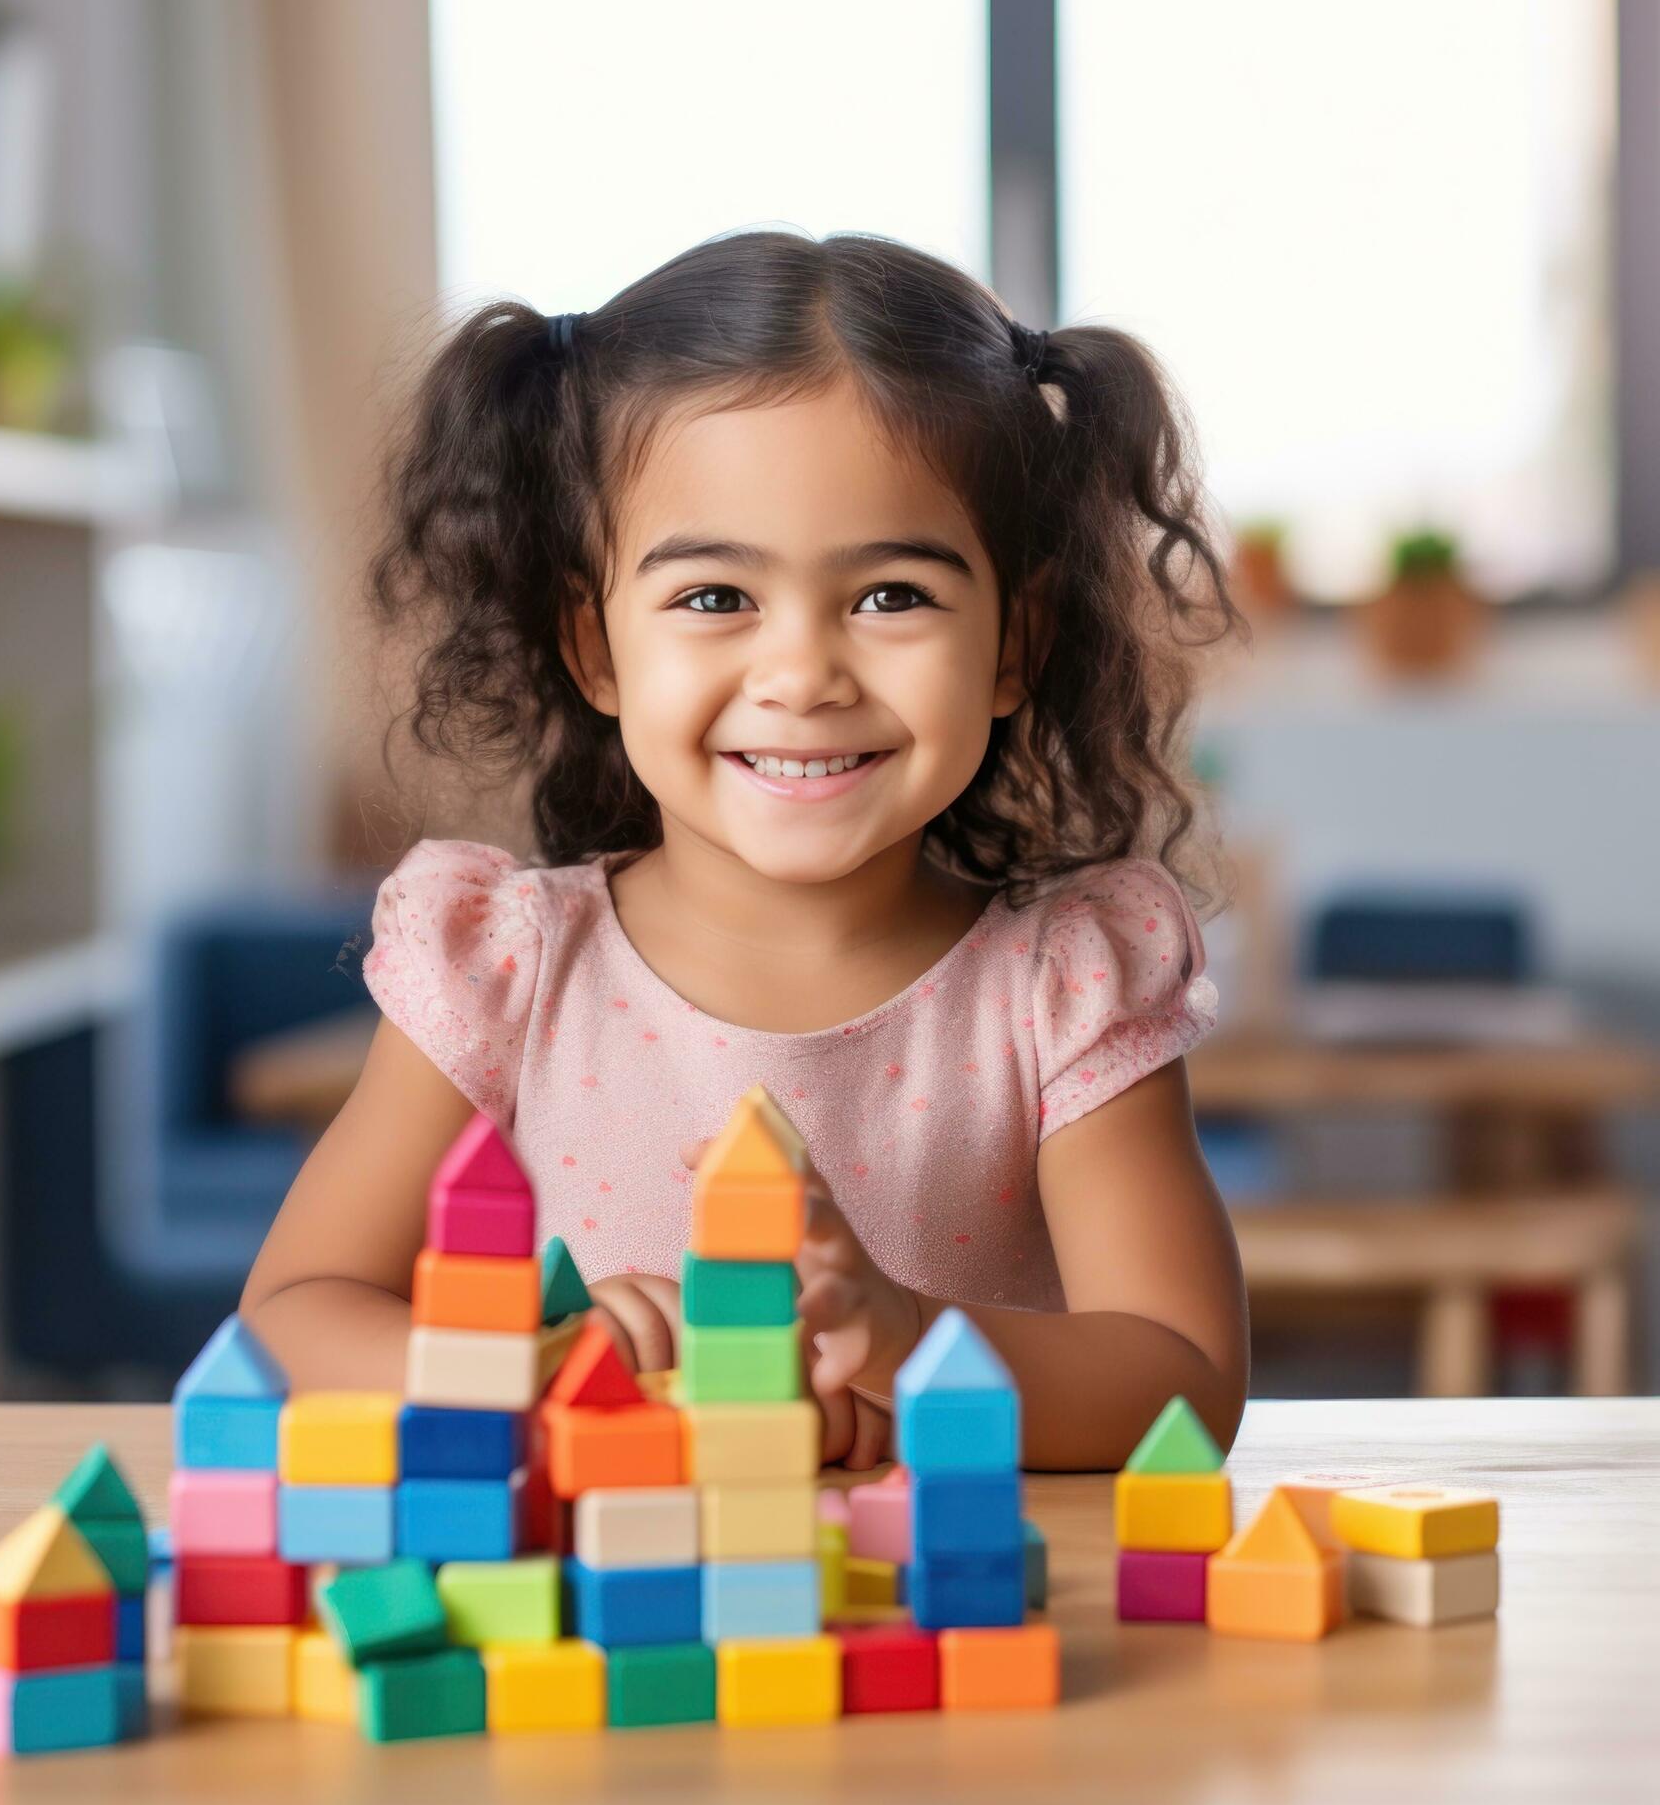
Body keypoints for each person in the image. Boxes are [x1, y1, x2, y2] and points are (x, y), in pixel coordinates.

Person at [242, 228, 1249, 1469]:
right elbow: (288, 1322)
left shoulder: (1062, 991)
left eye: (891, 596)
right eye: (715, 598)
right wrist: (527, 1368)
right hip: (612, 1626)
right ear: (595, 649)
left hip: (949, 1629)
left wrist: (902, 1334)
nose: (802, 675)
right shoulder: (505, 972)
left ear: (1012, 647)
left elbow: (1183, 1383)